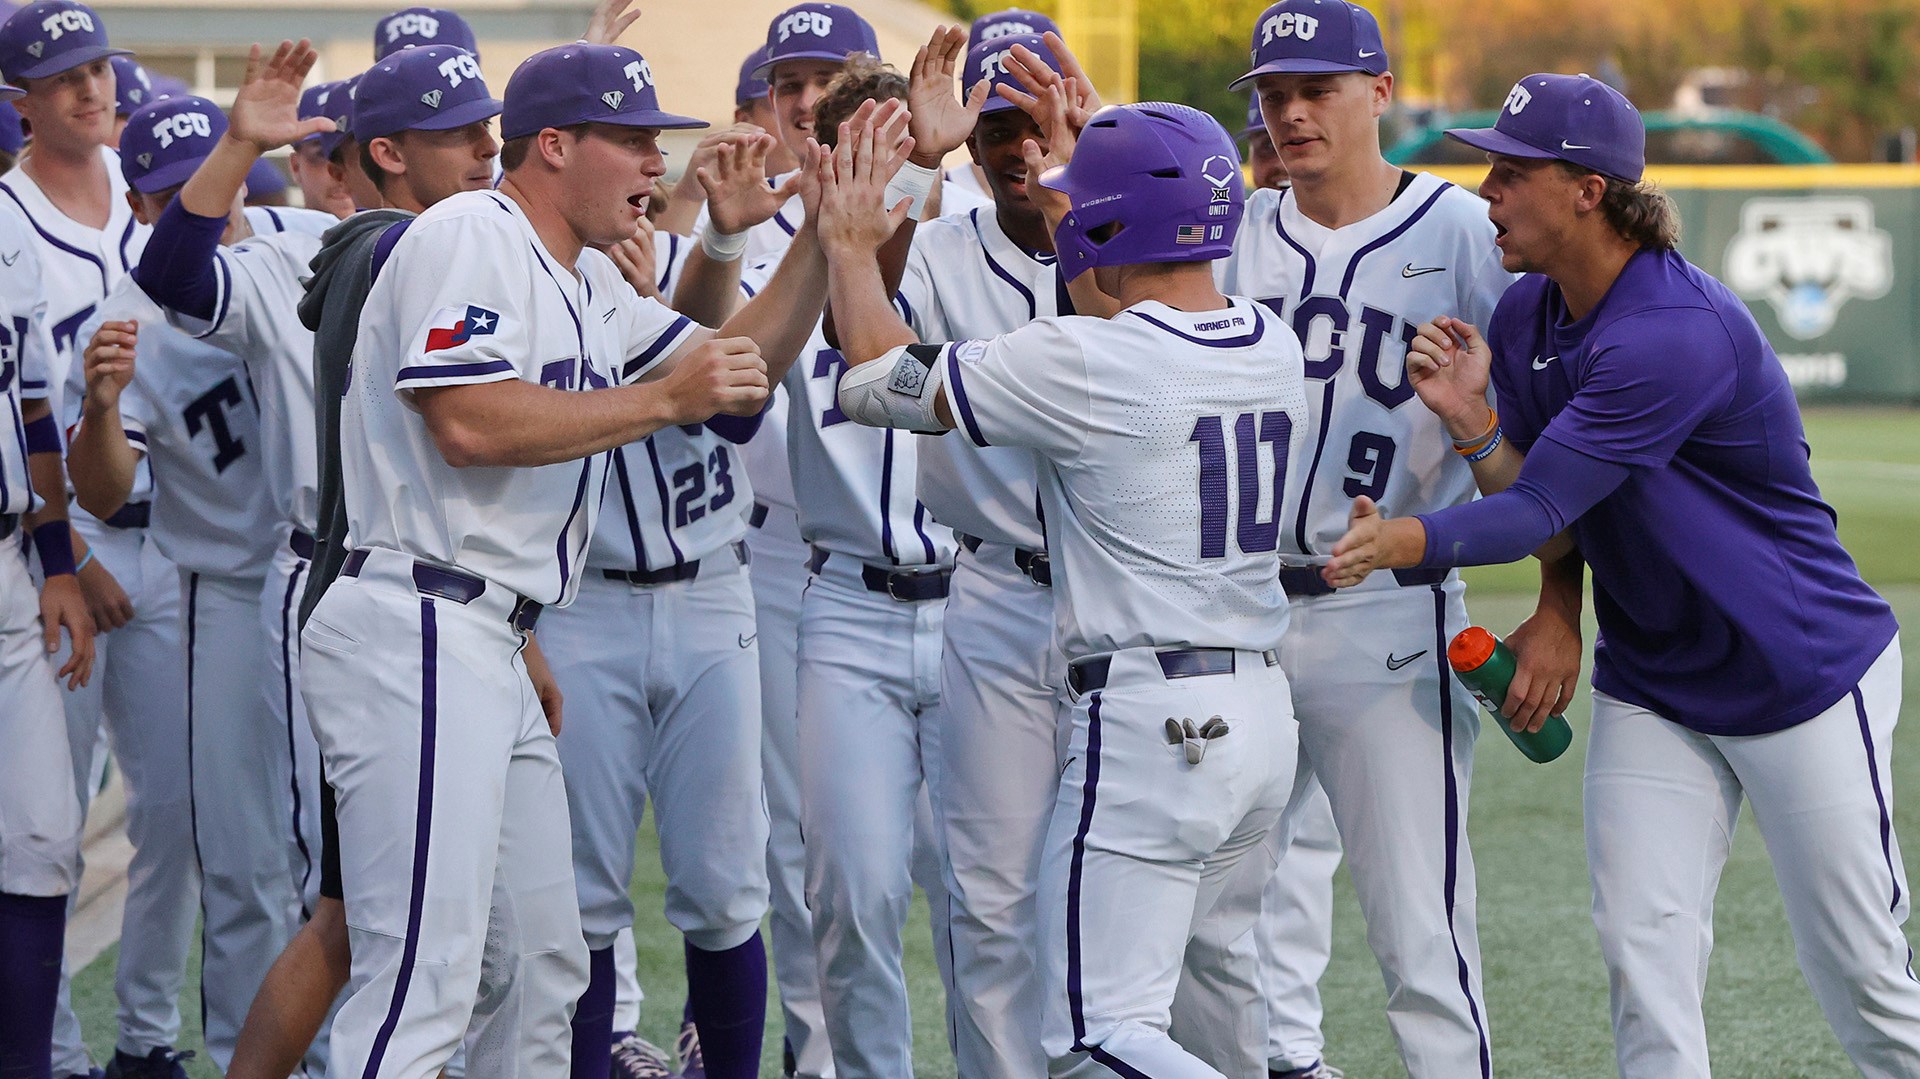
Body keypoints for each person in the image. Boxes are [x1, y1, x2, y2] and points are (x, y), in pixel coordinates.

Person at [1325, 71, 1920, 1079]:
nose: (1488, 193)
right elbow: (1541, 499)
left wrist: (1407, 541)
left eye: (1512, 173)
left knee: (1860, 970)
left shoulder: (1669, 331)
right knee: (1643, 954)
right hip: (1653, 676)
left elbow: (1536, 512)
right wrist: (1477, 426)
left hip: (1800, 673)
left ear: (1589, 190)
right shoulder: (1526, 317)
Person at [301, 37, 830, 1077]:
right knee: (423, 983)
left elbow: (731, 373)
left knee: (545, 966)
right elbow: (468, 420)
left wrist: (835, 234)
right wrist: (660, 399)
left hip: (492, 632)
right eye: (631, 142)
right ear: (552, 144)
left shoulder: (581, 278)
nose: (654, 165)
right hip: (415, 618)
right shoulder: (471, 231)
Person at [821, 95, 1310, 1079]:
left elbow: (872, 375)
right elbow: (1111, 310)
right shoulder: (1271, 337)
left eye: (1082, 203)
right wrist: (1088, 216)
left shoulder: (1097, 359)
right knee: (1216, 996)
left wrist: (845, 243)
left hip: (1151, 724)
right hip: (1258, 715)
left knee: (1096, 1035)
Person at [1219, 4, 1522, 1074]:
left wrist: (1475, 430)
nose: (1292, 112)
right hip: (1240, 613)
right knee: (1220, 931)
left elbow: (1522, 472)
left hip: (1389, 620)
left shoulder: (1459, 236)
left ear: (1380, 92)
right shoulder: (1237, 235)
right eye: (1273, 93)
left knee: (1421, 937)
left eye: (1318, 88)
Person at [845, 26, 1068, 1078]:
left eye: (1034, 120)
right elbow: (872, 333)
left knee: (1145, 887)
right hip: (998, 593)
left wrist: (1091, 156)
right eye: (995, 129)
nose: (1017, 149)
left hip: (1133, 599)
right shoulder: (937, 242)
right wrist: (920, 164)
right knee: (989, 895)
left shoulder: (1143, 227)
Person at [0, 8, 202, 1078]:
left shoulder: (154, 201)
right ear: (20, 97)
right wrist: (66, 546)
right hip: (62, 553)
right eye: (58, 76)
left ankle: (148, 1035)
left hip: (180, 537)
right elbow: (26, 399)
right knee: (46, 818)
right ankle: (62, 1051)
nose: (88, 89)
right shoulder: (10, 216)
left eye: (95, 68)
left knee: (177, 812)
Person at [0, 71, 94, 1076]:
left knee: (40, 835)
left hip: (8, 560)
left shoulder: (8, 228)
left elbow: (34, 410)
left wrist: (58, 560)